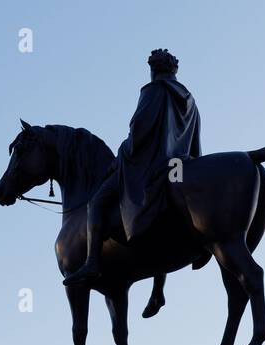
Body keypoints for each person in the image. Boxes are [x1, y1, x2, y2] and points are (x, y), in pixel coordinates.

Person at [62, 48, 204, 287]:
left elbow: (138, 130)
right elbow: (195, 138)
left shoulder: (153, 90)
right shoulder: (189, 100)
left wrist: (122, 152)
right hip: (179, 164)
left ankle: (92, 263)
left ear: (153, 70)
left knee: (96, 203)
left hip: (152, 164)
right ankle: (159, 289)